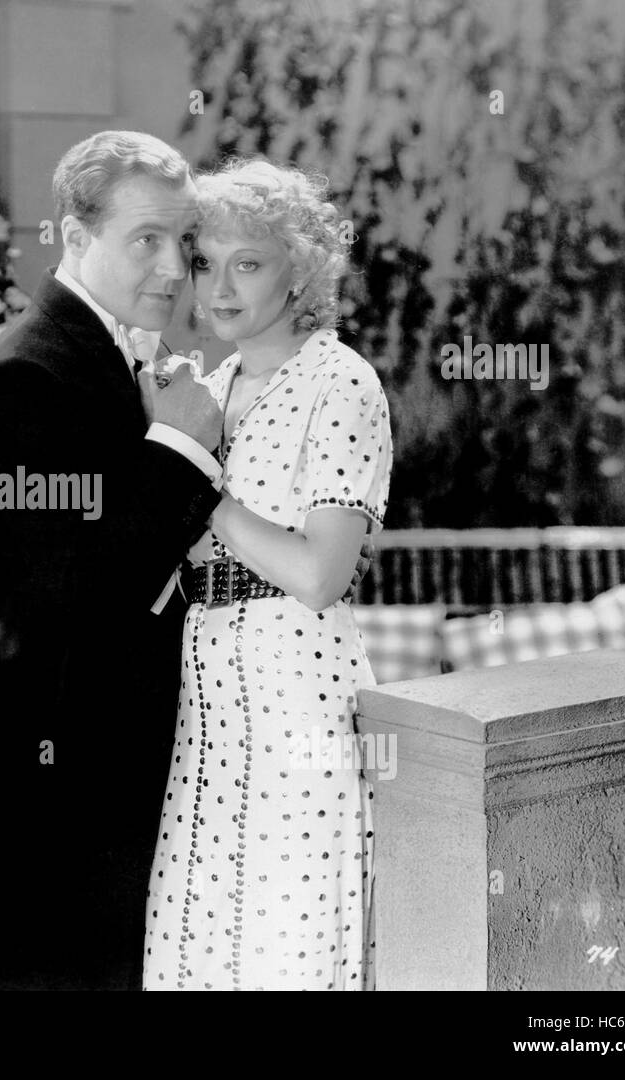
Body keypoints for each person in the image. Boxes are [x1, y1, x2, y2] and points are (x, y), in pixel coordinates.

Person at [0, 130, 228, 990]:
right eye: (144, 240)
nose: (174, 269)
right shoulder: (21, 376)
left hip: (123, 740)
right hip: (63, 751)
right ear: (74, 237)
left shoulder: (116, 355)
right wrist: (179, 447)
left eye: (183, 243)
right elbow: (67, 584)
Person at [143, 157, 393, 991]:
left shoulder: (340, 380)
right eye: (205, 262)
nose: (217, 287)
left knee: (288, 948)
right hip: (207, 704)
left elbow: (320, 575)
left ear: (303, 268)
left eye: (247, 263)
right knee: (202, 948)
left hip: (299, 693)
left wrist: (199, 486)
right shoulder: (205, 386)